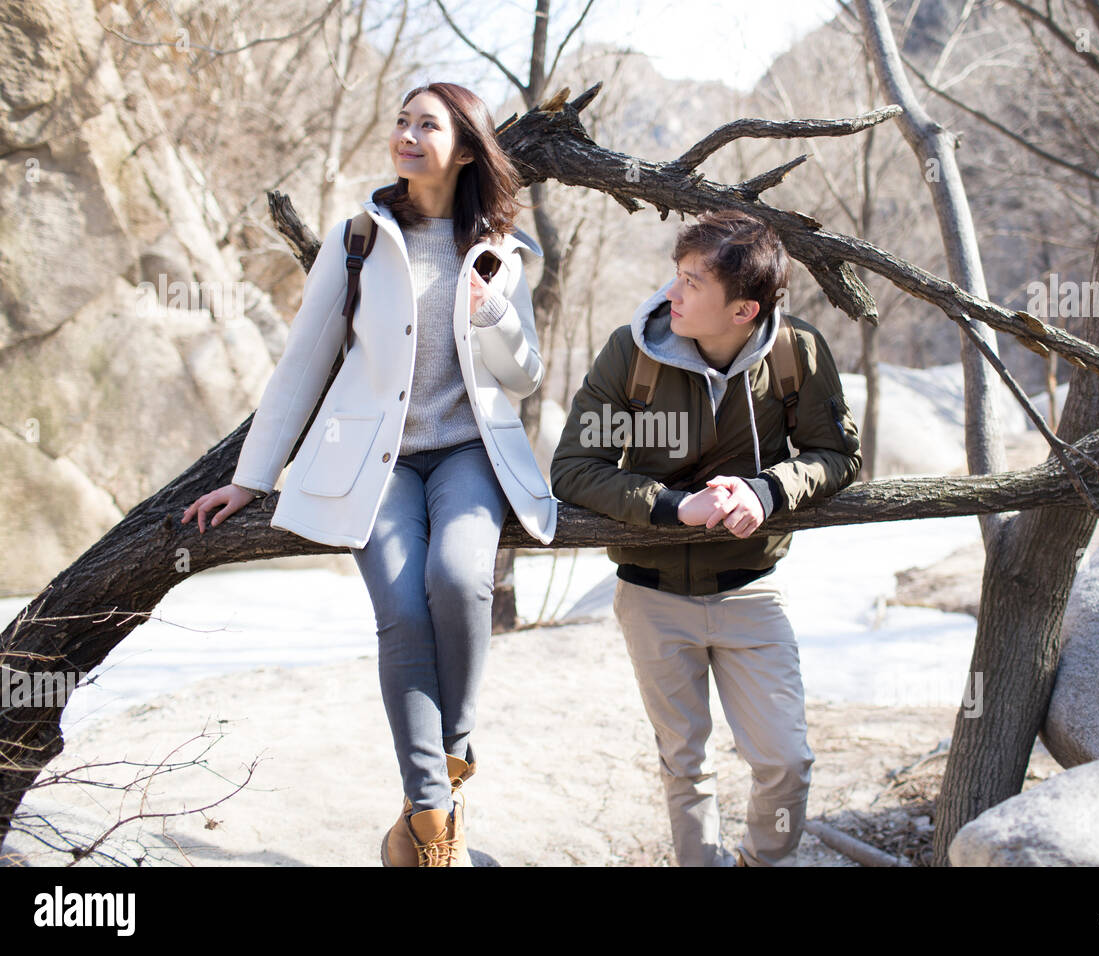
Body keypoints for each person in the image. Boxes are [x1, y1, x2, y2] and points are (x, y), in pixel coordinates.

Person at [182, 82, 556, 867]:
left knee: (458, 580)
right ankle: (430, 819)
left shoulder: (503, 249)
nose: (407, 135)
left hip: (466, 455)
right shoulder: (357, 236)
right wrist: (252, 478)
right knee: (404, 613)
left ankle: (448, 758)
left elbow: (522, 377)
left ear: (465, 148)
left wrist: (492, 312)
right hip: (371, 461)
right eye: (402, 121)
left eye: (428, 124)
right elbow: (303, 362)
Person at [550, 210, 861, 866]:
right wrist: (671, 508)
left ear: (743, 310)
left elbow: (837, 455)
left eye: (692, 284)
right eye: (676, 275)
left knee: (786, 759)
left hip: (752, 591)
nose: (672, 293)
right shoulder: (631, 353)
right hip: (650, 595)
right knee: (685, 763)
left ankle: (758, 860)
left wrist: (768, 490)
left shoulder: (795, 355)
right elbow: (575, 468)